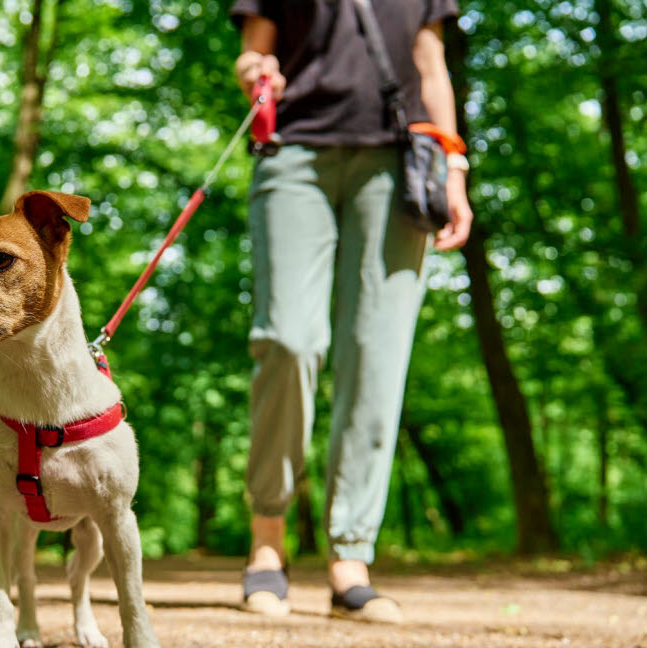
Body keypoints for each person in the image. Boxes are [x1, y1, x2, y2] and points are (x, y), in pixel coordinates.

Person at [229, 0, 473, 623]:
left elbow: (431, 65)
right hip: (294, 151)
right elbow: (254, 50)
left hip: (398, 159)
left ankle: (350, 559)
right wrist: (257, 72)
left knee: (376, 355)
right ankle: (267, 540)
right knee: (287, 339)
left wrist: (454, 167)